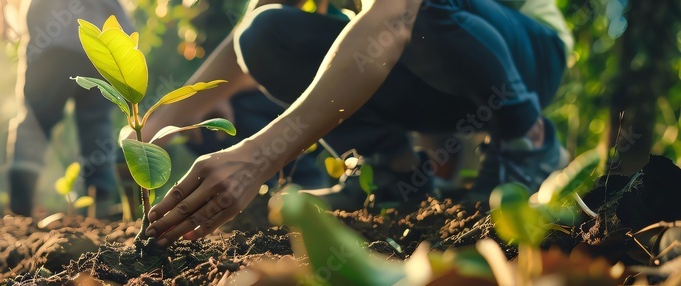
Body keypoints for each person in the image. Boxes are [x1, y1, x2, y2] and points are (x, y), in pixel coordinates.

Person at [141, 0, 573, 246]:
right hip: (424, 73)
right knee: (265, 33)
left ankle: (529, 140)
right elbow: (244, 42)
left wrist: (259, 156)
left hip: (527, 54)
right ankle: (394, 171)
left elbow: (398, 15)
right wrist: (158, 123)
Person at [4, 0, 133, 218]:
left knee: (35, 120)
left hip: (52, 38)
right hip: (101, 41)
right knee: (96, 121)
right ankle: (99, 202)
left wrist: (2, 13)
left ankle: (21, 207)